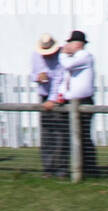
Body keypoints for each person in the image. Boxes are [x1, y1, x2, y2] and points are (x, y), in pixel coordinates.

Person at [43, 30, 96, 178]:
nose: (67, 45)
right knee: (69, 137)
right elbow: (65, 78)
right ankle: (72, 169)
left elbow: (67, 65)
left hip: (83, 101)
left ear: (77, 44)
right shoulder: (75, 58)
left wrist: (63, 54)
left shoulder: (84, 56)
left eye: (70, 43)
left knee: (84, 137)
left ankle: (89, 170)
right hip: (70, 102)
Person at [30, 33, 67, 177]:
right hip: (43, 96)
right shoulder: (35, 55)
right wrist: (38, 77)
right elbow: (32, 74)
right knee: (46, 135)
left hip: (57, 99)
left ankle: (61, 169)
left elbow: (59, 78)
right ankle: (48, 169)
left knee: (60, 135)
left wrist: (52, 100)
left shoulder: (60, 57)